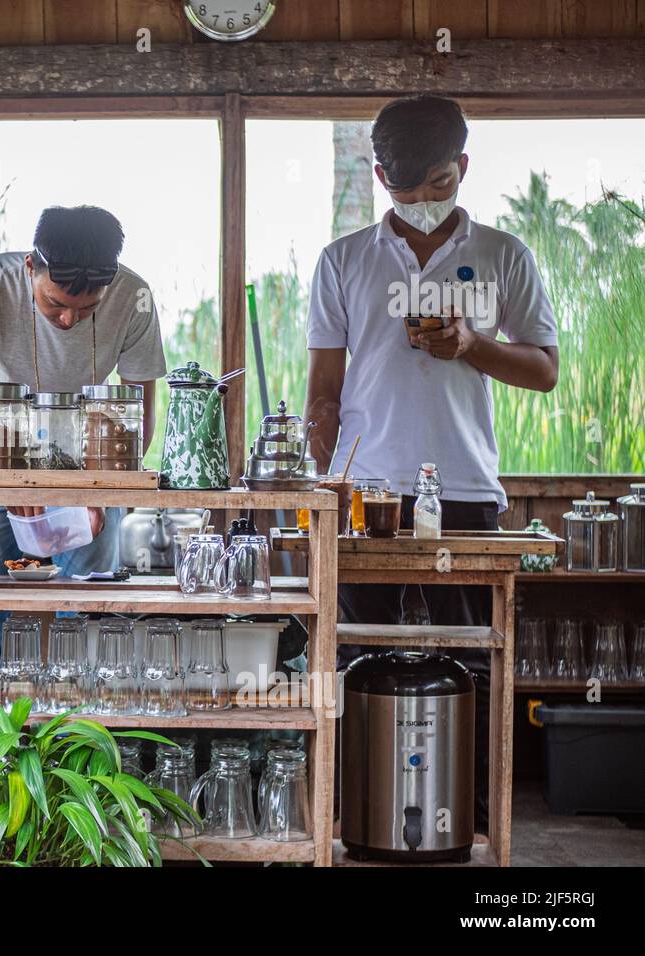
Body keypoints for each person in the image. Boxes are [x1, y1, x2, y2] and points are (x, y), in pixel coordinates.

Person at [303, 94, 560, 830]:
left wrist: (472, 346)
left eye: (439, 185)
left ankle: (472, 815)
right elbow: (323, 391)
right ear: (378, 172)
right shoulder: (343, 260)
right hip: (368, 494)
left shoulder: (504, 254)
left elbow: (544, 371)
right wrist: (327, 470)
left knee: (476, 656)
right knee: (355, 650)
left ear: (464, 168)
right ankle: (356, 808)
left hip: (467, 488)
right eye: (403, 188)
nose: (420, 202)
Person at [0, 205, 167, 654]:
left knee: (93, 616)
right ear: (30, 266)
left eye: (87, 309)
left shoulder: (134, 297)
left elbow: (138, 421)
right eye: (55, 303)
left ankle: (84, 720)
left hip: (87, 472)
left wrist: (99, 489)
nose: (69, 320)